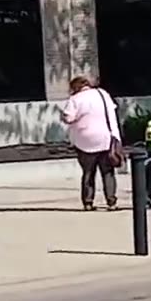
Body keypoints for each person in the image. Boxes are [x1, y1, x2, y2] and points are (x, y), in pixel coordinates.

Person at [58, 75, 121, 211]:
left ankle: (88, 202)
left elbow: (69, 117)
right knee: (108, 172)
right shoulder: (102, 94)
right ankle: (111, 202)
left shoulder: (75, 99)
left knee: (88, 172)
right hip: (106, 137)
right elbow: (112, 110)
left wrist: (63, 116)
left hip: (84, 140)